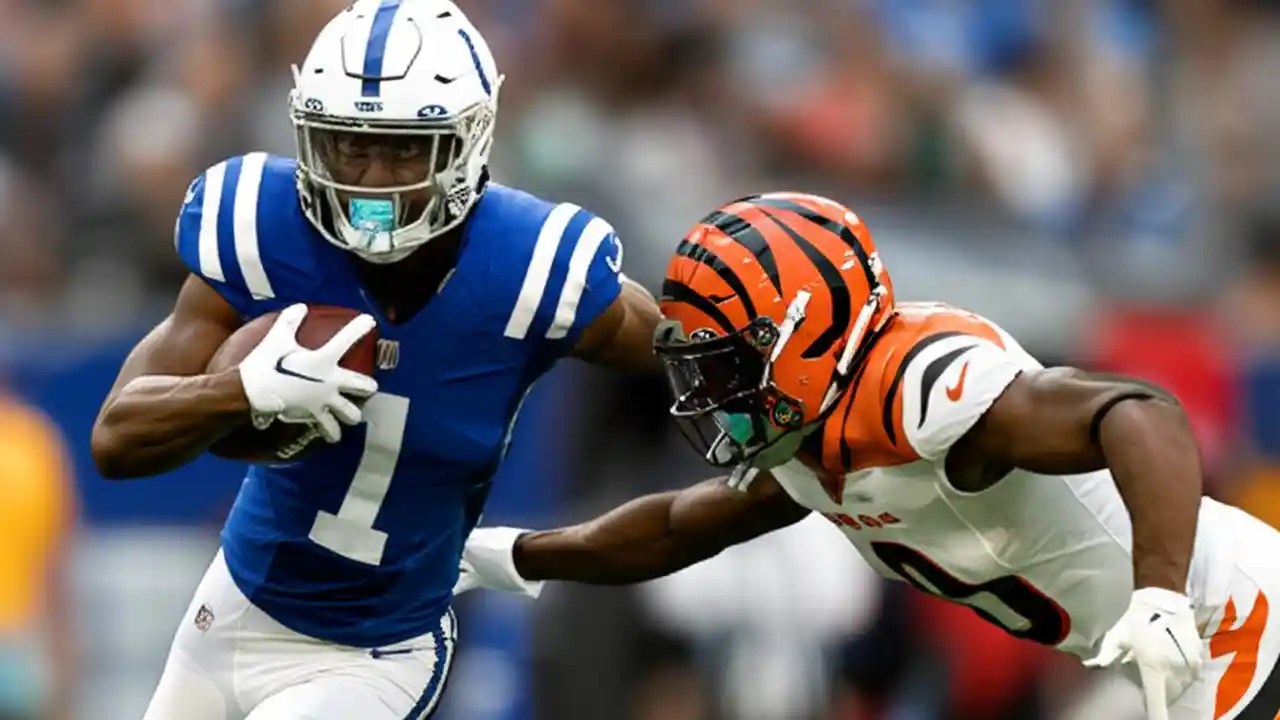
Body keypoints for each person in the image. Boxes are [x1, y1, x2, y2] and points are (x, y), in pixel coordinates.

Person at [458, 192, 1280, 720]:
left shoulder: (923, 391)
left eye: (730, 365)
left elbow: (1139, 414)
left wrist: (1163, 596)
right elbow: (679, 526)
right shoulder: (811, 439)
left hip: (1240, 623)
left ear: (809, 336)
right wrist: (506, 555)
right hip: (1167, 665)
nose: (713, 392)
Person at [89, 1, 660, 718]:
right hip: (235, 608)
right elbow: (115, 440)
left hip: (377, 652)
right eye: (348, 146)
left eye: (403, 149)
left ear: (468, 141)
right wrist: (242, 390)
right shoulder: (259, 225)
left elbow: (686, 363)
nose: (370, 182)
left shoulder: (532, 265)